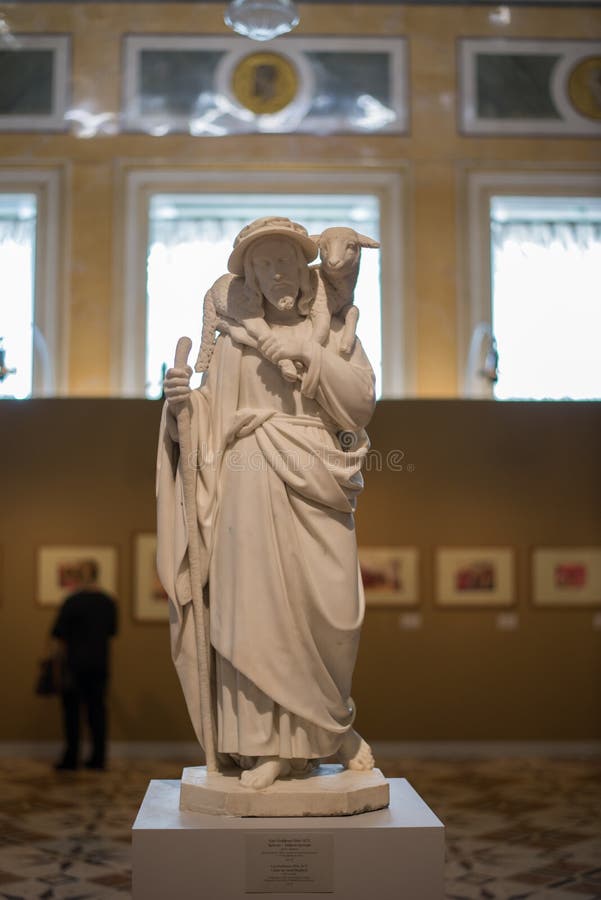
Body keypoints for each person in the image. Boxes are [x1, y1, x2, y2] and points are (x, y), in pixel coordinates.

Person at [157, 216, 376, 789]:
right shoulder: (232, 347)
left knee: (329, 614)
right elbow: (208, 421)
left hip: (320, 484)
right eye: (264, 264)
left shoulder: (333, 333)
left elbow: (359, 404)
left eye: (286, 261)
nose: (277, 272)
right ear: (249, 276)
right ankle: (264, 747)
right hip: (248, 490)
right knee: (253, 615)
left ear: (304, 273)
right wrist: (182, 408)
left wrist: (313, 358)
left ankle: (330, 727)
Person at [51, 560, 118, 771]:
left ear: (79, 576)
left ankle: (71, 758)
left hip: (73, 664)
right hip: (99, 663)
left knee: (72, 713)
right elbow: (112, 631)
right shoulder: (108, 602)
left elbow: (58, 634)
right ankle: (98, 758)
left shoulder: (72, 602)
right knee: (97, 711)